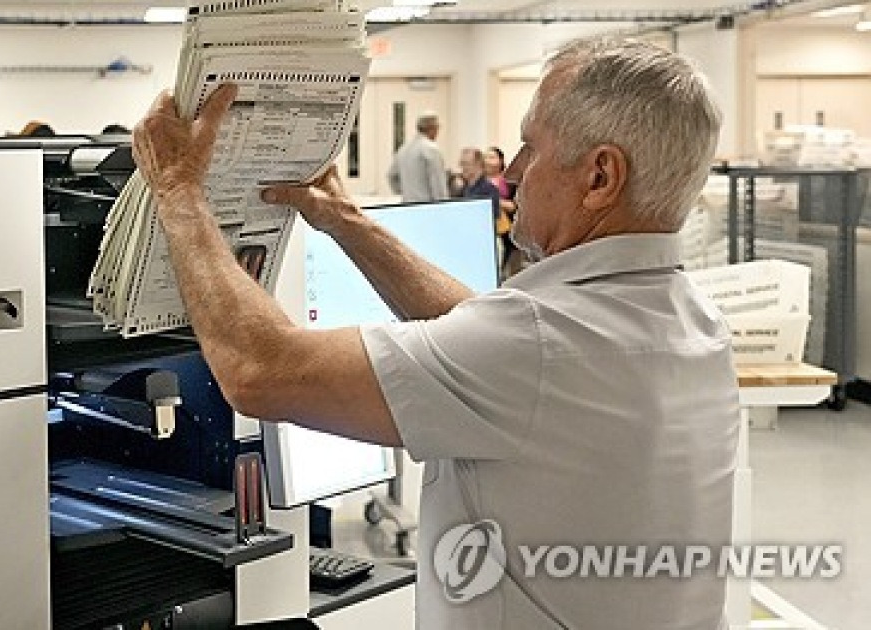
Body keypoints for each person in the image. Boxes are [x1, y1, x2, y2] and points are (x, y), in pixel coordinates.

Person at [131, 34, 736, 630]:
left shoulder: (539, 344)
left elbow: (261, 372)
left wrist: (179, 191)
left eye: (530, 146)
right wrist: (344, 221)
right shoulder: (692, 323)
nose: (513, 172)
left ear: (600, 176)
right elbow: (482, 334)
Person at [387, 113, 447, 202]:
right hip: (427, 207)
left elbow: (391, 176)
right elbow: (438, 185)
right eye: (437, 128)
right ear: (431, 128)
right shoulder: (432, 149)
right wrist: (443, 206)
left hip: (407, 204)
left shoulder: (403, 149)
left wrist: (404, 191)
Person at [485, 146, 523, 276]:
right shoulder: (480, 182)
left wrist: (497, 201)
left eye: (492, 157)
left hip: (507, 230)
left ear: (500, 160)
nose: (488, 161)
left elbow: (516, 205)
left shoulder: (509, 180)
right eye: (486, 158)